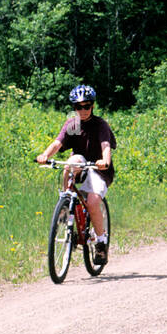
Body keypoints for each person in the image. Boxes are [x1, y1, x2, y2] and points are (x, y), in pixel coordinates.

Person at [35, 84, 116, 263]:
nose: (83, 110)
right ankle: (66, 201)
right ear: (74, 108)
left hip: (98, 169)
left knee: (93, 201)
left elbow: (106, 146)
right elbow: (58, 143)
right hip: (80, 164)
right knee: (71, 162)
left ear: (92, 106)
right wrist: (45, 155)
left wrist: (105, 160)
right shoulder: (73, 124)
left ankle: (101, 243)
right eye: (79, 107)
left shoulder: (100, 125)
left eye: (86, 106)